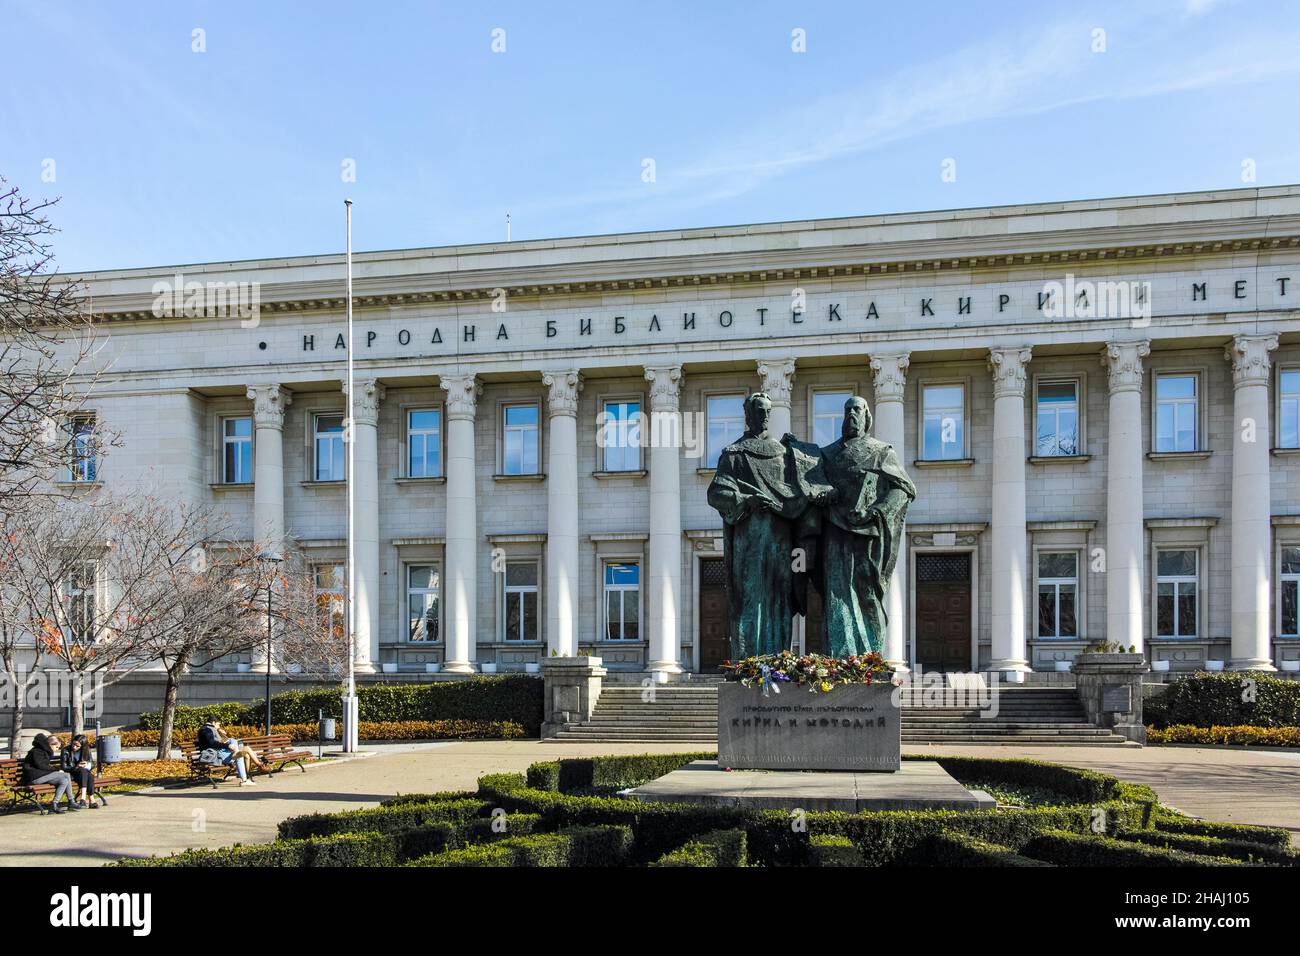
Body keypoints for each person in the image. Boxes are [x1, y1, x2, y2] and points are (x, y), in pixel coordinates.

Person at [196, 717, 268, 785]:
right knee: (239, 754)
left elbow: (221, 741)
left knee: (246, 749)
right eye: (218, 724)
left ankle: (250, 774)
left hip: (220, 752)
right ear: (213, 722)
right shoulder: (206, 729)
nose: (219, 726)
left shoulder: (211, 729)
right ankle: (245, 779)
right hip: (216, 755)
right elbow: (212, 743)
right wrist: (227, 745)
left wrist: (221, 733)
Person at [23, 734, 78, 813]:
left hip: (41, 776)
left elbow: (44, 767)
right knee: (66, 775)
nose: (57, 749)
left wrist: (55, 770)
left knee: (64, 781)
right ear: (51, 744)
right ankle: (71, 801)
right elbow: (41, 766)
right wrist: (56, 769)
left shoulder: (43, 751)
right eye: (57, 747)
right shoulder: (37, 751)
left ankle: (54, 804)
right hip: (34, 778)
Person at [63, 733, 101, 808]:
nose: (74, 747)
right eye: (73, 744)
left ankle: (85, 799)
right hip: (71, 774)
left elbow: (92, 764)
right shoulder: (66, 750)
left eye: (77, 746)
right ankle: (88, 799)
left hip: (82, 774)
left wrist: (87, 764)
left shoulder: (86, 750)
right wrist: (76, 766)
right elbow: (64, 767)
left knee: (88, 774)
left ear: (83, 746)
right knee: (85, 772)